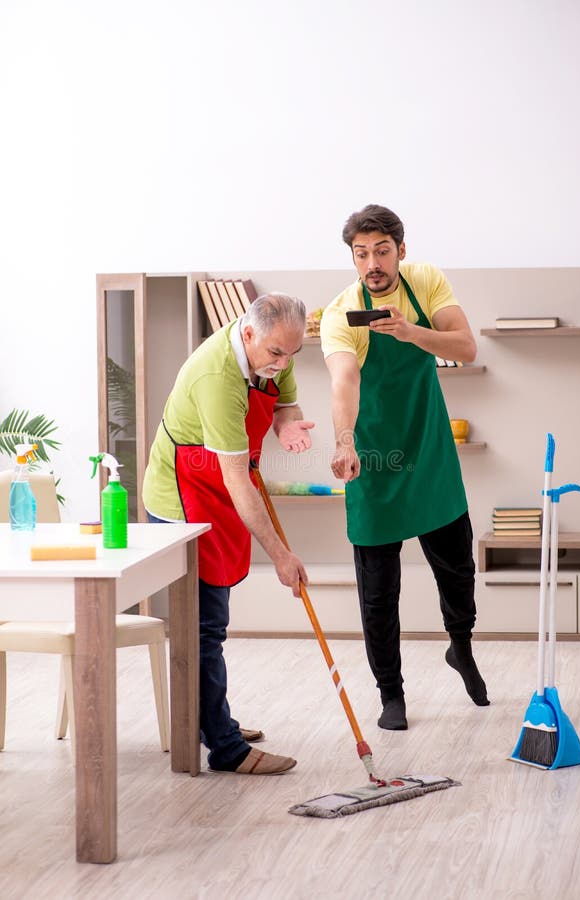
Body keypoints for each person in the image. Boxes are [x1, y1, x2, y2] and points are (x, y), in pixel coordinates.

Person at [320, 204, 489, 731]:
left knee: (457, 570)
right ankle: (390, 694)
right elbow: (344, 381)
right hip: (370, 458)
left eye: (382, 250)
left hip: (428, 449)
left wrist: (413, 332)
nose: (372, 262)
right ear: (352, 256)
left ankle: (460, 647)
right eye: (361, 253)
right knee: (377, 591)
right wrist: (344, 441)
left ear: (401, 249)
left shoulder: (425, 282)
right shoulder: (340, 314)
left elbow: (464, 346)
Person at [142, 293, 314, 773]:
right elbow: (236, 480)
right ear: (247, 333)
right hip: (185, 490)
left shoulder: (280, 348)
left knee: (209, 622)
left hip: (219, 480)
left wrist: (287, 427)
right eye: (274, 354)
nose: (281, 366)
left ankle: (208, 722)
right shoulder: (218, 377)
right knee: (205, 627)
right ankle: (225, 747)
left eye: (290, 355)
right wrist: (282, 555)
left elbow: (283, 406)